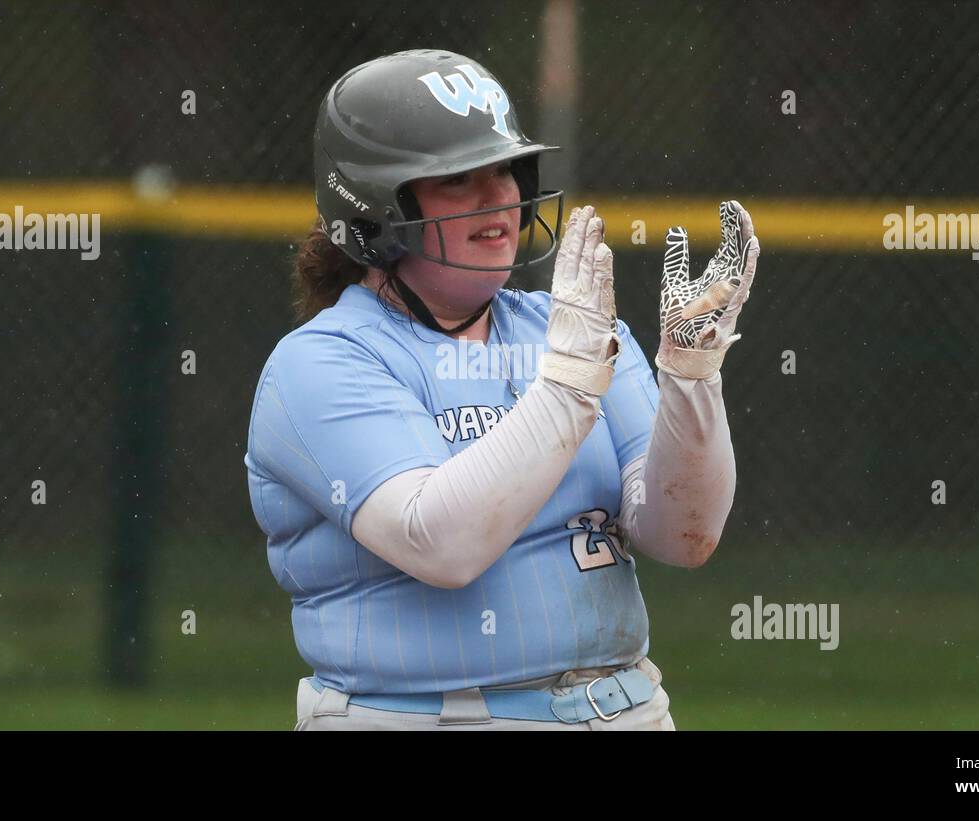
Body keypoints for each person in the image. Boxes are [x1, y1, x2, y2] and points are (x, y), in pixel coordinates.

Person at [244, 49, 760, 730]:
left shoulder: (567, 326)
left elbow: (683, 535)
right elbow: (441, 544)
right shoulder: (320, 363)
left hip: (623, 707)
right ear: (374, 208)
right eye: (458, 178)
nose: (498, 197)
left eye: (506, 170)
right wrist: (568, 388)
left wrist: (692, 380)